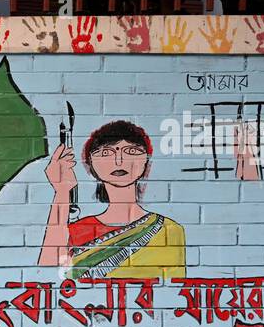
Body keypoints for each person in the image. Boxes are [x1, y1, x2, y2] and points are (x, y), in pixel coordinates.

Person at [39, 119, 186, 280]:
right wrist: (61, 191)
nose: (119, 161)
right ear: (90, 164)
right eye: (105, 153)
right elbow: (47, 278)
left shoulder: (168, 230)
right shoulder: (77, 230)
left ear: (146, 161)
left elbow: (175, 290)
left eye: (131, 151)